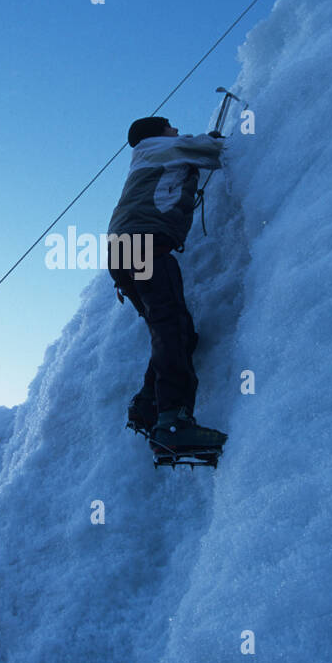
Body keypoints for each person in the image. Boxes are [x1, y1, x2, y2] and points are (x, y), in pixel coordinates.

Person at [106, 116, 228, 456]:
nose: (175, 130)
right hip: (146, 247)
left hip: (126, 253)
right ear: (157, 132)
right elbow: (215, 151)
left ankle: (149, 405)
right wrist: (212, 140)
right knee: (170, 327)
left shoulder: (146, 158)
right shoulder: (160, 147)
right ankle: (173, 423)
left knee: (176, 332)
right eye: (170, 126)